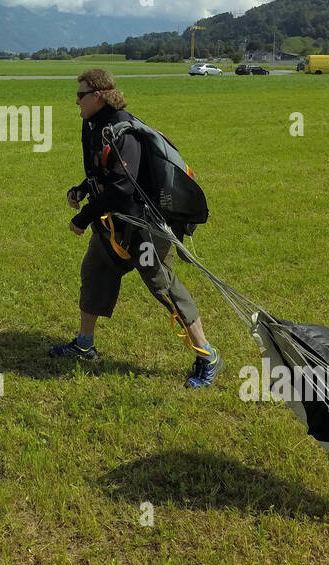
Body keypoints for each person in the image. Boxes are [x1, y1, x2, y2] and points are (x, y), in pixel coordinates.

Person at [51, 68, 223, 388]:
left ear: (99, 96)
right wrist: (82, 189)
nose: (76, 101)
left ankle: (207, 355)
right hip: (113, 227)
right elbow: (103, 175)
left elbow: (122, 188)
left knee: (164, 288)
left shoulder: (122, 131)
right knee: (94, 274)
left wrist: (83, 217)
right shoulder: (94, 126)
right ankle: (84, 344)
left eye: (81, 94)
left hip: (143, 231)